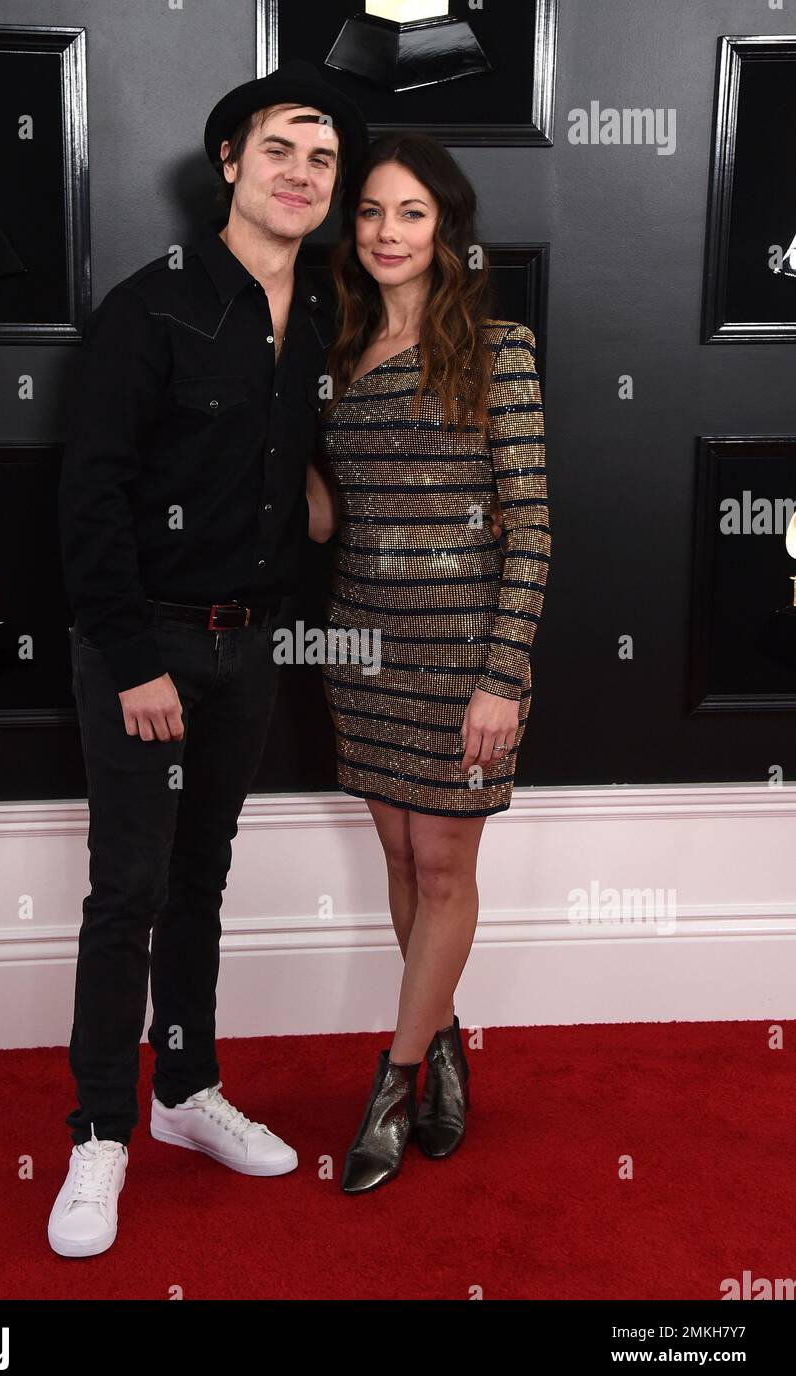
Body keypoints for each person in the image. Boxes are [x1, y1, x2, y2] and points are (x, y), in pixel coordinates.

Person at [48, 60, 369, 1257]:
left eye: (323, 158)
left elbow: (293, 470)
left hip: (253, 647)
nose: (301, 173)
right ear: (230, 162)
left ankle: (184, 1094)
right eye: (280, 147)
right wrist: (133, 660)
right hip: (147, 646)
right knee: (124, 890)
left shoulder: (325, 319)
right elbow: (90, 495)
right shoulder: (153, 305)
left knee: (201, 880)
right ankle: (95, 1134)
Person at [306, 131, 551, 1194]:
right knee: (402, 868)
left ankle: (393, 1081)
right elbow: (326, 520)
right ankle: (445, 1047)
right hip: (364, 651)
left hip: (463, 657)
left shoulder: (498, 350)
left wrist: (503, 674)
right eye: (368, 211)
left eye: (409, 213)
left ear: (447, 233)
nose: (385, 232)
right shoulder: (331, 353)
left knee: (445, 871)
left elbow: (531, 527)